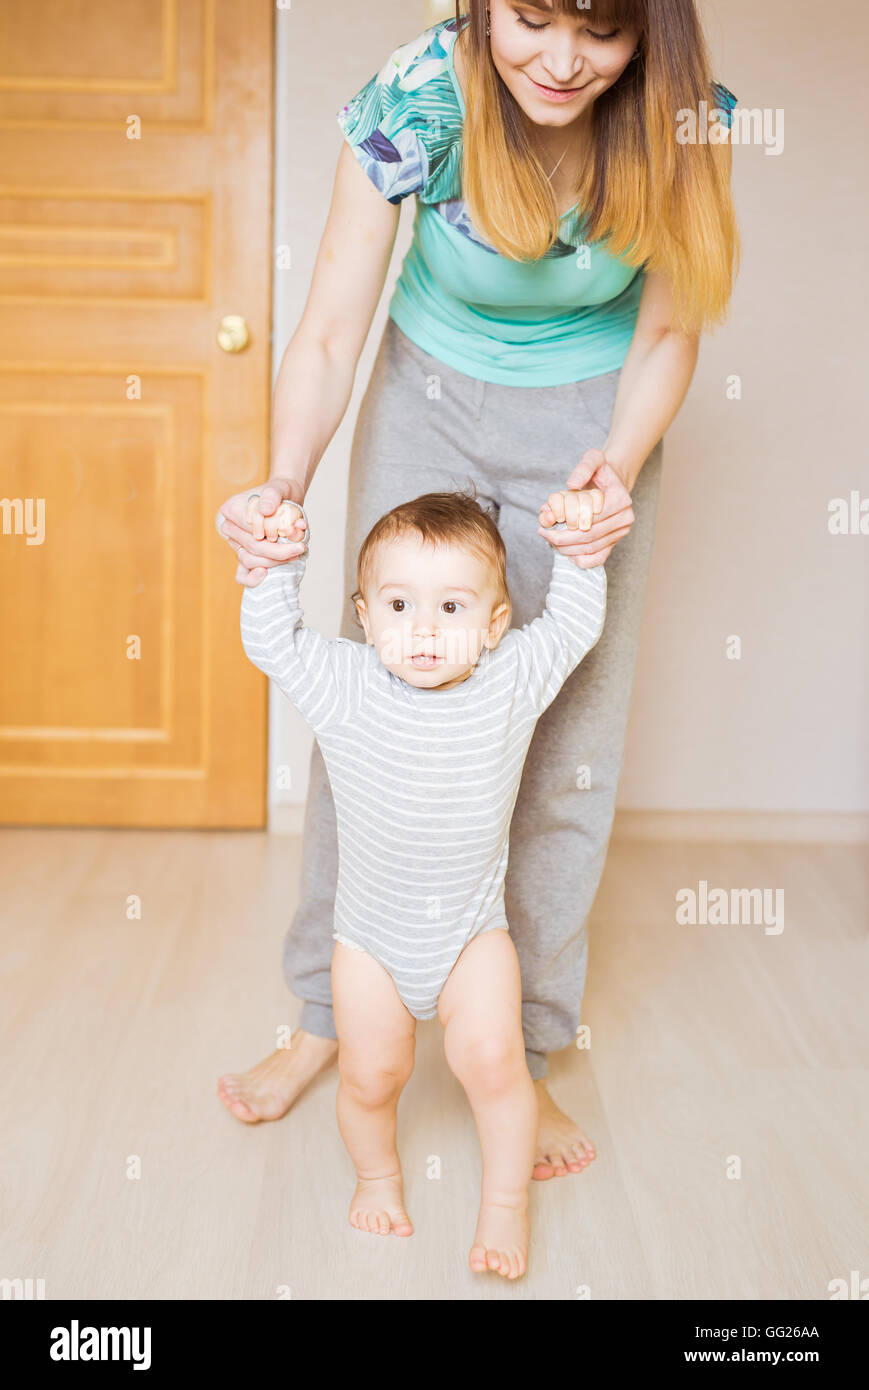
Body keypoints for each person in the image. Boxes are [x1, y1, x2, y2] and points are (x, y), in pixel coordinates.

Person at [215, 1, 739, 1179]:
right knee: (377, 721)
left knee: (567, 745)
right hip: (427, 395)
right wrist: (284, 482)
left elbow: (668, 332)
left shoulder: (685, 121)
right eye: (530, 19)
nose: (559, 62)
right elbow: (330, 329)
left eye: (598, 33)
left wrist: (615, 462)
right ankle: (324, 1020)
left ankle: (526, 1055)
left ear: (649, 34)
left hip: (595, 411)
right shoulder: (419, 95)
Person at [231, 485, 607, 1276]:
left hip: (473, 938)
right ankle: (378, 1177)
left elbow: (573, 624)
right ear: (364, 616)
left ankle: (505, 1207)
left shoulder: (511, 678)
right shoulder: (343, 682)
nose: (423, 632)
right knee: (372, 1076)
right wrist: (275, 560)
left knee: (495, 1068)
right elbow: (271, 643)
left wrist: (579, 551)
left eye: (451, 608)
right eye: (399, 605)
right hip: (368, 944)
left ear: (496, 624)